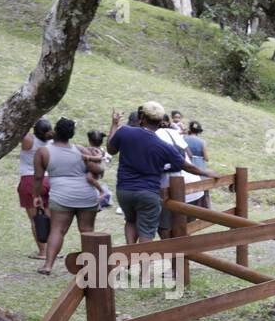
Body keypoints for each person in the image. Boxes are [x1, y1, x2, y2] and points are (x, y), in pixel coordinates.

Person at [107, 101, 214, 247]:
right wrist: (205, 172)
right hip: (148, 192)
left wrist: (114, 124)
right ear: (161, 120)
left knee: (131, 221)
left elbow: (110, 150)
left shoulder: (125, 131)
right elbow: (185, 165)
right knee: (146, 231)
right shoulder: (163, 146)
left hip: (124, 190)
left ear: (142, 117)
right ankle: (143, 268)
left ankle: (130, 259)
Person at [31, 118, 102, 275]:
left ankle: (48, 265)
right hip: (86, 194)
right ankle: (92, 268)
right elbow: (97, 170)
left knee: (57, 229)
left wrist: (36, 195)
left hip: (61, 195)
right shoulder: (80, 149)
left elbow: (37, 177)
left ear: (55, 131)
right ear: (71, 134)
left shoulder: (43, 152)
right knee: (87, 230)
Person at [18, 118, 53, 257]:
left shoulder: (29, 141)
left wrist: (31, 120)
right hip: (49, 180)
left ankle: (43, 252)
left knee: (35, 219)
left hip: (30, 180)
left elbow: (19, 126)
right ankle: (52, 250)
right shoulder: (51, 142)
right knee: (49, 217)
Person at [183, 121, 211, 209]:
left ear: (190, 129)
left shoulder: (183, 138)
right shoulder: (202, 142)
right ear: (199, 131)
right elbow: (206, 158)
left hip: (187, 165)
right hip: (200, 167)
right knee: (203, 189)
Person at [83, 130, 112, 208]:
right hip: (94, 170)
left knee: (89, 177)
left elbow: (100, 159)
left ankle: (101, 191)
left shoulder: (95, 150)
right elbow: (108, 158)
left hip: (94, 172)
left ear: (89, 140)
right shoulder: (99, 150)